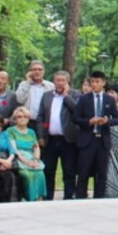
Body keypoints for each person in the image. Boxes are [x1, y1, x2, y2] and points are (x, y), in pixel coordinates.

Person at [73, 70, 118, 199]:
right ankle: (80, 197)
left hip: (102, 140)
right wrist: (89, 121)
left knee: (101, 173)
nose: (94, 84)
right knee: (83, 171)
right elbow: (76, 119)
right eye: (92, 82)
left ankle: (99, 198)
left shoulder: (109, 99)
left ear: (103, 83)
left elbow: (117, 119)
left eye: (97, 82)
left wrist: (107, 121)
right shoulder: (83, 99)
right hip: (87, 139)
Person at [37, 70, 79, 200]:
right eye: (57, 80)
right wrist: (41, 136)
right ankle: (48, 197)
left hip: (68, 139)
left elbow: (78, 111)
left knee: (69, 170)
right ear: (53, 81)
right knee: (48, 170)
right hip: (50, 140)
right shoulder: (47, 95)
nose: (60, 83)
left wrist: (66, 96)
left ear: (68, 82)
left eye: (63, 81)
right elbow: (40, 117)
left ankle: (68, 197)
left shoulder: (76, 94)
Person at [7, 106, 46, 201]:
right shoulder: (10, 131)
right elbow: (14, 149)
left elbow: (36, 148)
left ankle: (39, 198)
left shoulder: (32, 132)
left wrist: (35, 160)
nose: (22, 118)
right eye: (19, 117)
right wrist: (27, 162)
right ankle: (28, 198)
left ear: (28, 118)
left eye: (25, 116)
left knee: (40, 174)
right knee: (28, 175)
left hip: (32, 157)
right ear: (15, 119)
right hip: (19, 158)